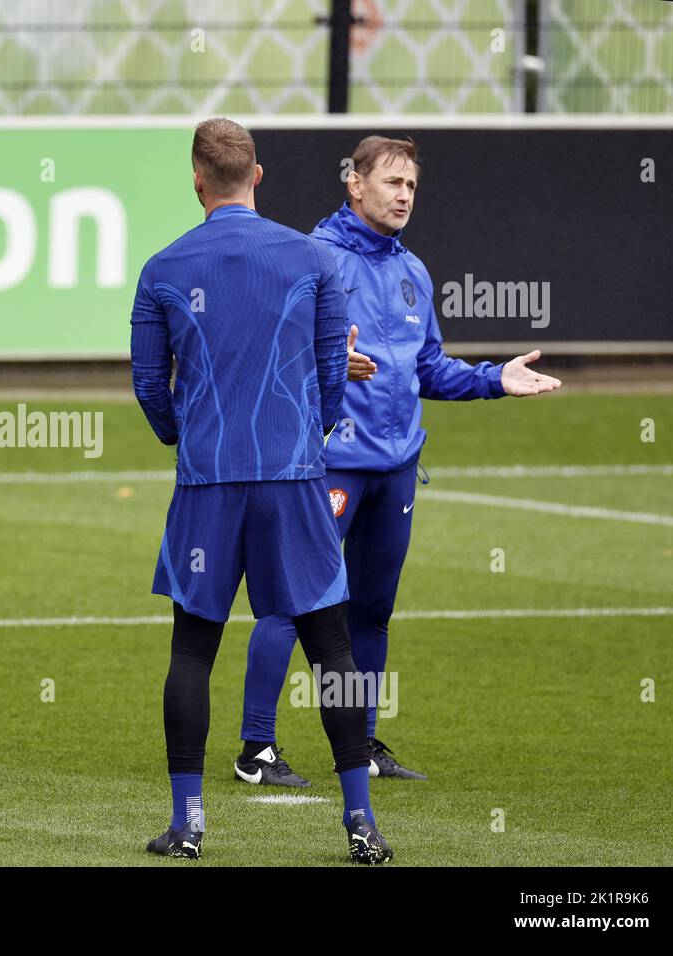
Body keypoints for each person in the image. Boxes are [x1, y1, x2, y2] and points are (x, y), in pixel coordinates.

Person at [234, 136, 561, 789]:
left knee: (372, 611)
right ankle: (256, 750)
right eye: (391, 182)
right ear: (354, 183)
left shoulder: (412, 271)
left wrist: (496, 378)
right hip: (328, 462)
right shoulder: (313, 258)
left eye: (411, 184)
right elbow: (266, 352)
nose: (404, 195)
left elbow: (428, 367)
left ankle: (362, 741)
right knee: (293, 602)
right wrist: (321, 366)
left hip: (396, 468)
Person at [131, 118, 392, 863]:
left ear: (196, 180)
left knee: (192, 649)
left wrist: (182, 438)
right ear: (258, 175)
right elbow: (333, 372)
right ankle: (361, 824)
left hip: (209, 484)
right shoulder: (312, 258)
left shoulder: (164, 267)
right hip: (293, 480)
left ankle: (188, 826)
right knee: (333, 649)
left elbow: (151, 384)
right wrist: (309, 439)